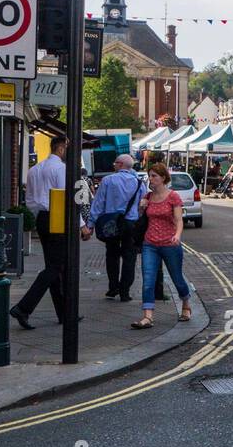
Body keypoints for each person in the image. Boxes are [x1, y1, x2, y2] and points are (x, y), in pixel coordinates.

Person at [12, 137, 91, 329]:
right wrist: (81, 225)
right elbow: (67, 200)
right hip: (58, 219)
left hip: (42, 219)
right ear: (62, 149)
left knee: (54, 266)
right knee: (56, 267)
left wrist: (38, 218)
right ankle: (23, 307)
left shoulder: (34, 170)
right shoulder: (61, 169)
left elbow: (30, 201)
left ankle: (64, 312)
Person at [131, 163, 194, 329]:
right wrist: (141, 208)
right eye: (149, 176)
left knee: (177, 279)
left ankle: (186, 304)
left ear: (163, 178)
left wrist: (177, 236)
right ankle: (147, 317)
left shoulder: (173, 197)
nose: (150, 179)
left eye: (154, 176)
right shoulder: (148, 197)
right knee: (148, 280)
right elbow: (142, 219)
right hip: (150, 243)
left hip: (170, 244)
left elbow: (179, 220)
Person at [86, 153, 145, 302]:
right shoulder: (139, 183)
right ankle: (125, 292)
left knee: (112, 254)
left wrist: (90, 225)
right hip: (131, 224)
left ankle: (113, 288)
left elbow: (98, 204)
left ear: (120, 165)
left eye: (115, 163)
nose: (113, 165)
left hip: (111, 223)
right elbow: (143, 206)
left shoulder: (108, 181)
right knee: (129, 257)